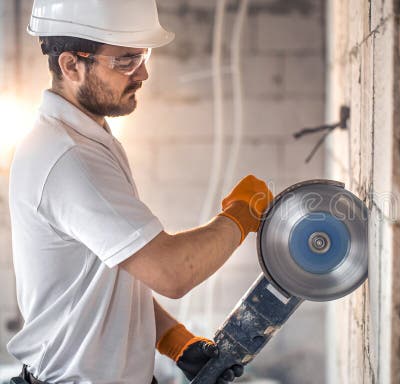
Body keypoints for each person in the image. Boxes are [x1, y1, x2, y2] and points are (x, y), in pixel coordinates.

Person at [6, 1, 271, 382]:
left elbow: (108, 282)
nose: (143, 73)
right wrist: (240, 216)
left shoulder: (84, 137)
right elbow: (172, 271)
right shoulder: (71, 159)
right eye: (125, 61)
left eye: (143, 56)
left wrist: (173, 339)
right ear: (70, 65)